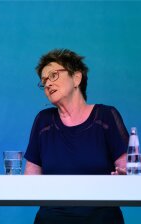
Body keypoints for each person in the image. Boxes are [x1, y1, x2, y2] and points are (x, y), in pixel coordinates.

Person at [24, 49, 128, 224]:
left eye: (53, 75)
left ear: (77, 78)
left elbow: (128, 169)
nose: (47, 84)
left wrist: (124, 176)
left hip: (100, 218)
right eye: (44, 81)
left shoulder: (106, 116)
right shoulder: (43, 121)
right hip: (52, 219)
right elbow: (30, 181)